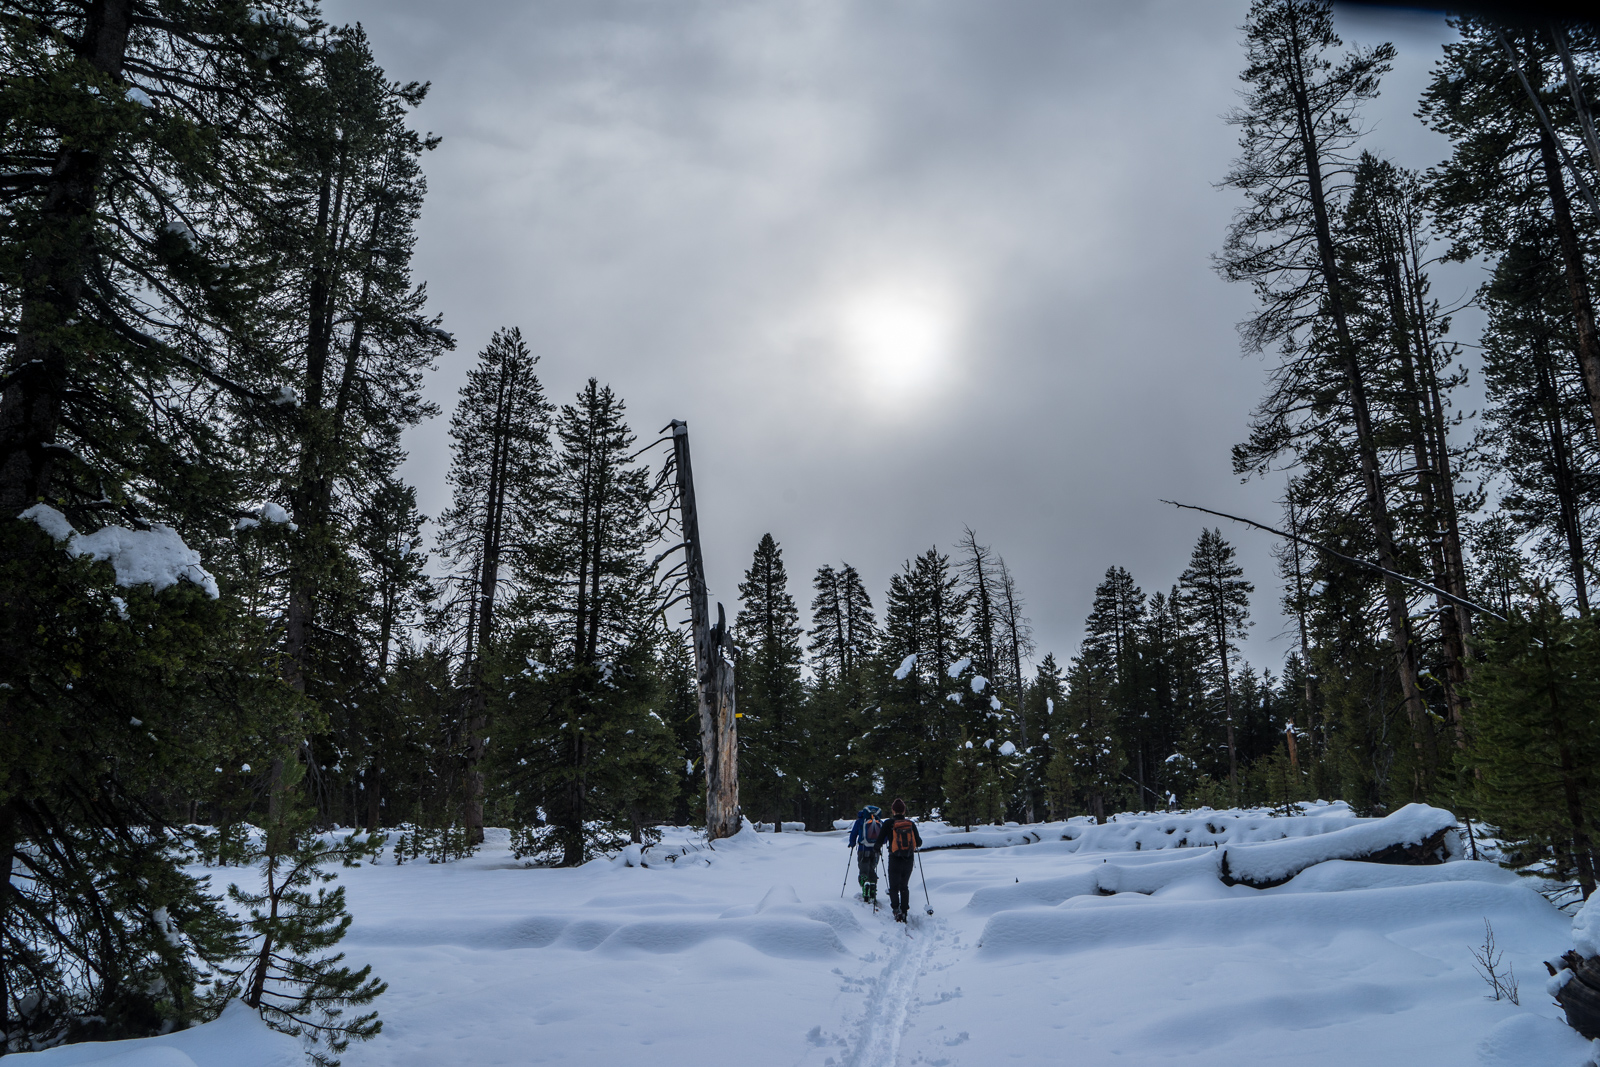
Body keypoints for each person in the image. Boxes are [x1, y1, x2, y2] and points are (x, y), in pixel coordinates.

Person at [878, 798, 923, 922]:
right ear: (904, 810)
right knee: (904, 886)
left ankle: (896, 910)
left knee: (893, 886)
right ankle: (904, 911)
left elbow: (879, 841)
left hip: (894, 858)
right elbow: (918, 842)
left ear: (893, 810)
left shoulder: (888, 823)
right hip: (908, 858)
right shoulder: (910, 824)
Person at [846, 804, 885, 903]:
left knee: (863, 870)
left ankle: (865, 885)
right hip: (875, 850)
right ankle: (872, 887)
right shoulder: (880, 822)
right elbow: (885, 838)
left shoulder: (860, 821)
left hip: (863, 850)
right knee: (872, 869)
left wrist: (852, 843)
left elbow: (854, 833)